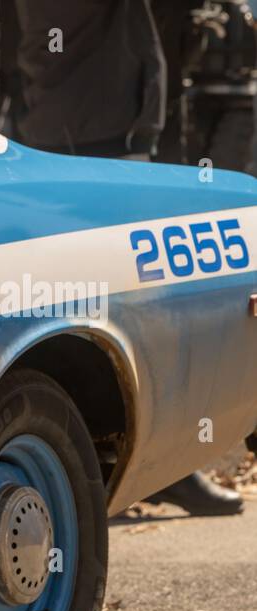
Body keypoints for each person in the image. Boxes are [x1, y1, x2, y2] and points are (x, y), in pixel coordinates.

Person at [15, 0, 244, 516]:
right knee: (128, 308)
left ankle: (145, 466)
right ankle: (152, 467)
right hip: (94, 126)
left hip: (96, 119)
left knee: (118, 307)